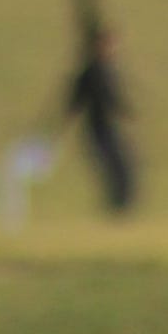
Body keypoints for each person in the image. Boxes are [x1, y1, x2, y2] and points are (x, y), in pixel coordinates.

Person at [66, 23, 141, 216]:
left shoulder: (105, 70)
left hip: (108, 127)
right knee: (115, 166)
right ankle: (118, 207)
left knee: (123, 166)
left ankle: (123, 206)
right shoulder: (92, 72)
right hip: (98, 127)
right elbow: (78, 99)